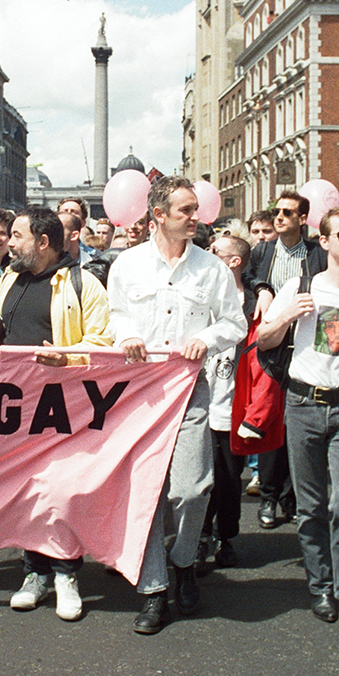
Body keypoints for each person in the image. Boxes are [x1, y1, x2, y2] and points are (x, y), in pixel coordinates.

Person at [109, 177, 245, 633]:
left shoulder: (211, 268)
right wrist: (127, 334)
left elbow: (235, 323)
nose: (195, 218)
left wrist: (206, 338)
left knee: (191, 489)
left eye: (195, 209)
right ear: (159, 215)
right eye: (185, 210)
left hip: (189, 388)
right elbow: (117, 313)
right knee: (146, 492)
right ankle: (153, 590)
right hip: (141, 392)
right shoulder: (128, 264)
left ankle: (184, 560)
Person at [258, 204, 339, 639]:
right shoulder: (300, 285)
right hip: (304, 403)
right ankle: (320, 585)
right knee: (310, 505)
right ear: (324, 241)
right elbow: (263, 339)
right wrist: (286, 316)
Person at [0, 207, 112, 621]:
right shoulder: (8, 279)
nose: (10, 243)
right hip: (15, 406)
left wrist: (68, 358)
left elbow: (104, 342)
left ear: (43, 242)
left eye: (18, 235)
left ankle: (66, 574)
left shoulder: (83, 284)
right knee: (28, 491)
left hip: (64, 408)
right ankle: (34, 574)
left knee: (61, 493)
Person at [245, 190, 328, 531]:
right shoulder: (264, 251)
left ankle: (290, 497)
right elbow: (247, 276)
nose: (279, 217)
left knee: (299, 426)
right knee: (269, 418)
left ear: (302, 220)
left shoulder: (317, 254)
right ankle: (268, 496)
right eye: (277, 211)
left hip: (306, 346)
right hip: (271, 344)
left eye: (287, 213)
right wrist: (262, 287)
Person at [199, 234, 256, 573]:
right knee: (200, 476)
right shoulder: (201, 292)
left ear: (234, 261)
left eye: (215, 251)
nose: (207, 254)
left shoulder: (253, 302)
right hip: (199, 399)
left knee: (230, 477)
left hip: (233, 403)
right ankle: (200, 534)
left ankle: (227, 536)